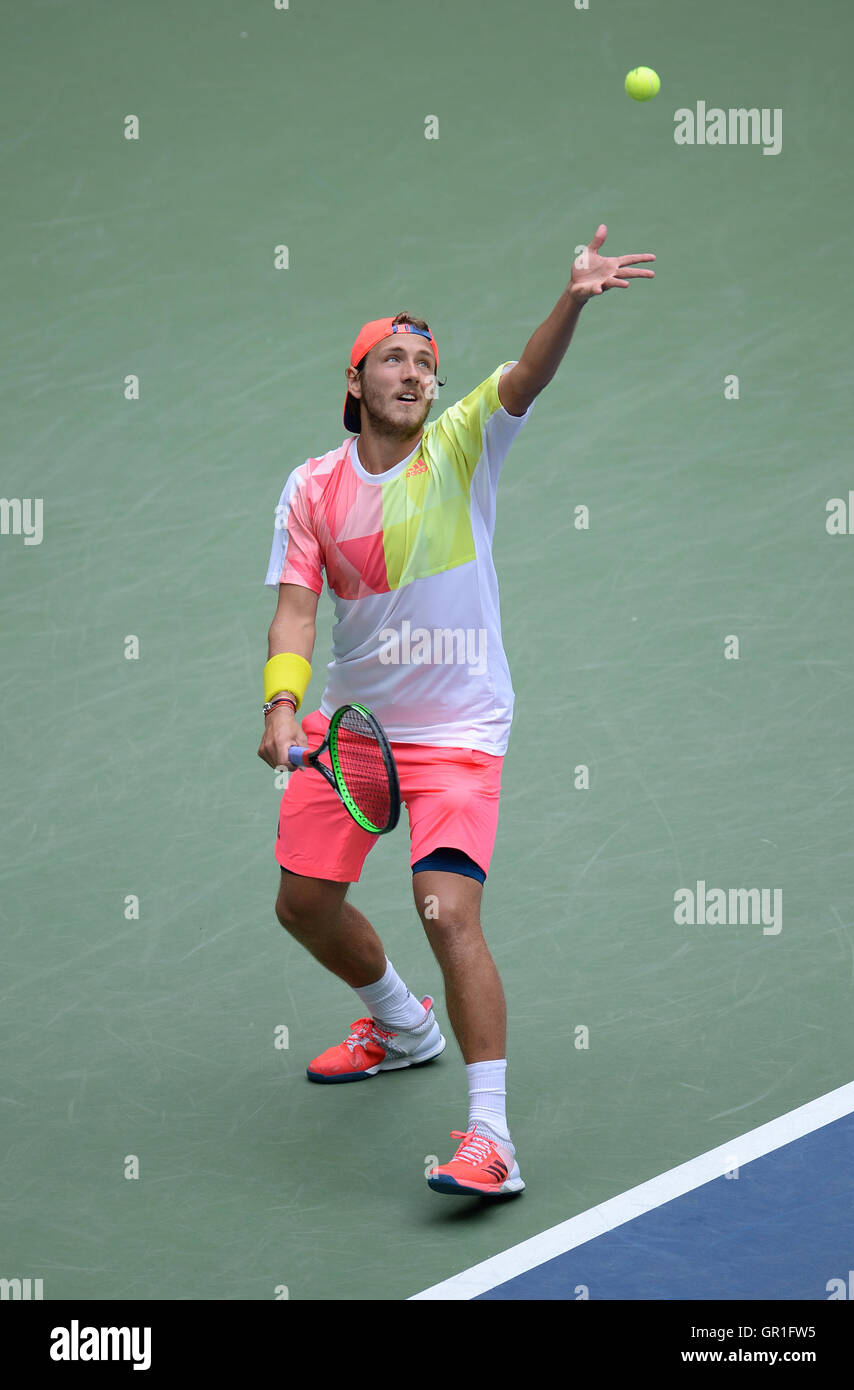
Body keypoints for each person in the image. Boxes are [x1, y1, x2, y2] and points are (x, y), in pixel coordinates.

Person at [258, 225, 655, 1197]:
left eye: (425, 363)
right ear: (354, 382)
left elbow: (525, 372)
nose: (413, 373)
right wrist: (280, 704)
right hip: (355, 728)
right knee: (301, 904)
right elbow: (296, 609)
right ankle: (402, 1024)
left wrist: (570, 299)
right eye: (391, 358)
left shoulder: (463, 442)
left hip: (457, 728)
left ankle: (491, 1139)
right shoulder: (312, 487)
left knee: (444, 911)